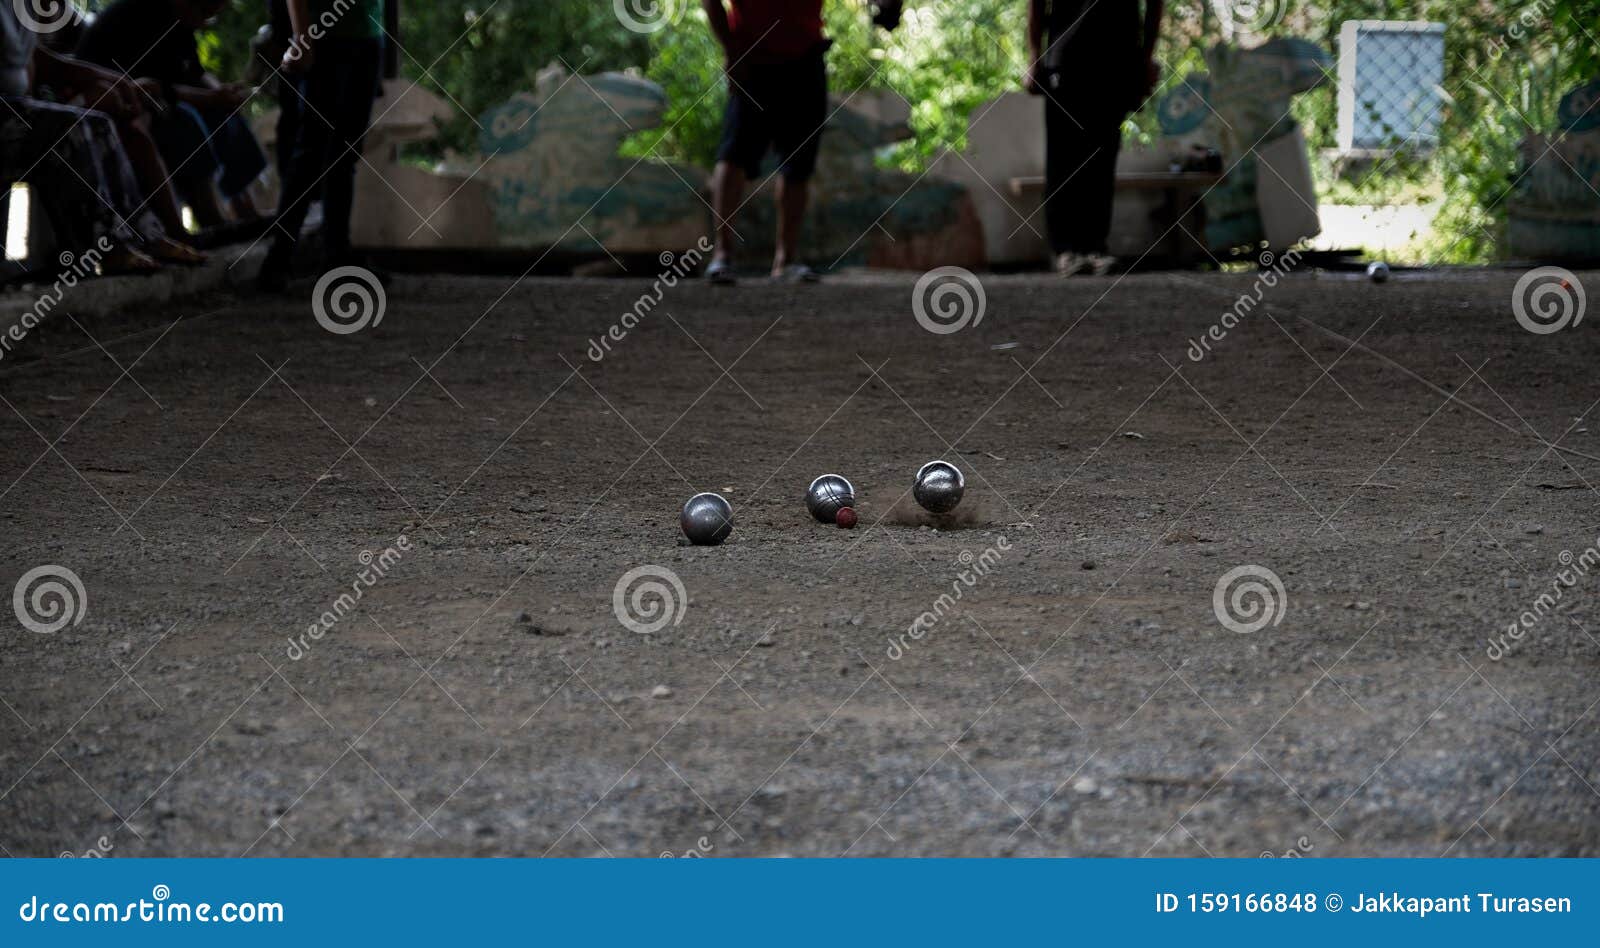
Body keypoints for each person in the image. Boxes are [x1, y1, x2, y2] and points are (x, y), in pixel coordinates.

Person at [701, 0, 900, 285]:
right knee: (734, 154)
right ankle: (722, 255)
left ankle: (786, 260)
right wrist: (732, 50)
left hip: (805, 60)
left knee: (799, 161)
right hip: (752, 57)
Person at [0, 4, 204, 272]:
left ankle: (146, 235)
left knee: (100, 124)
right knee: (70, 125)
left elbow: (37, 59)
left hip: (21, 108)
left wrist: (110, 80)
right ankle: (107, 247)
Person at [76, 0, 268, 228]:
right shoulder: (141, 17)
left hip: (148, 101)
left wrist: (221, 92)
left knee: (224, 113)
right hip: (110, 104)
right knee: (184, 121)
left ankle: (244, 210)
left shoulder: (181, 22)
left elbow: (195, 73)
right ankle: (210, 217)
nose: (207, 19)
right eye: (205, 11)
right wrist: (212, 98)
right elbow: (150, 87)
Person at [256, 0, 385, 292]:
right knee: (311, 152)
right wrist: (302, 37)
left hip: (368, 35)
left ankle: (336, 257)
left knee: (346, 153)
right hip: (326, 38)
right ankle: (279, 257)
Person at [1026, 0, 1162, 276]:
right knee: (1064, 159)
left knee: (1101, 156)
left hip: (1116, 60)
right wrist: (1034, 58)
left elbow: (1155, 5)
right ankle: (1065, 249)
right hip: (1065, 62)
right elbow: (1037, 3)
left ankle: (1094, 247)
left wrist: (1146, 57)